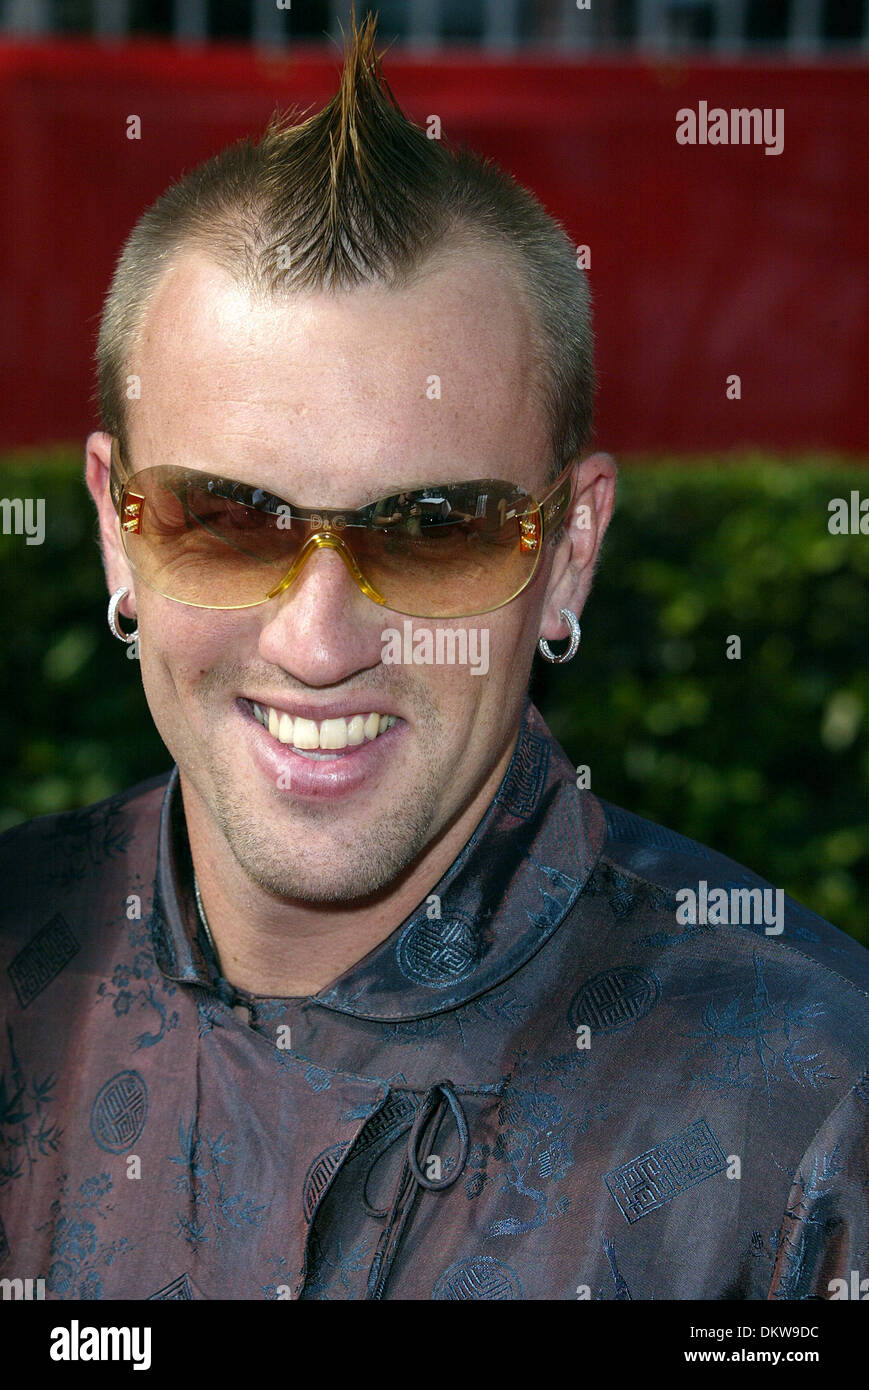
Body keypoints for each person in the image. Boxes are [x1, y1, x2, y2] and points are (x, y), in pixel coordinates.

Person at [1, 13, 866, 1303]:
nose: (318, 639)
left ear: (572, 551)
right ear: (118, 533)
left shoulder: (819, 1122)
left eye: (435, 529)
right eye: (229, 520)